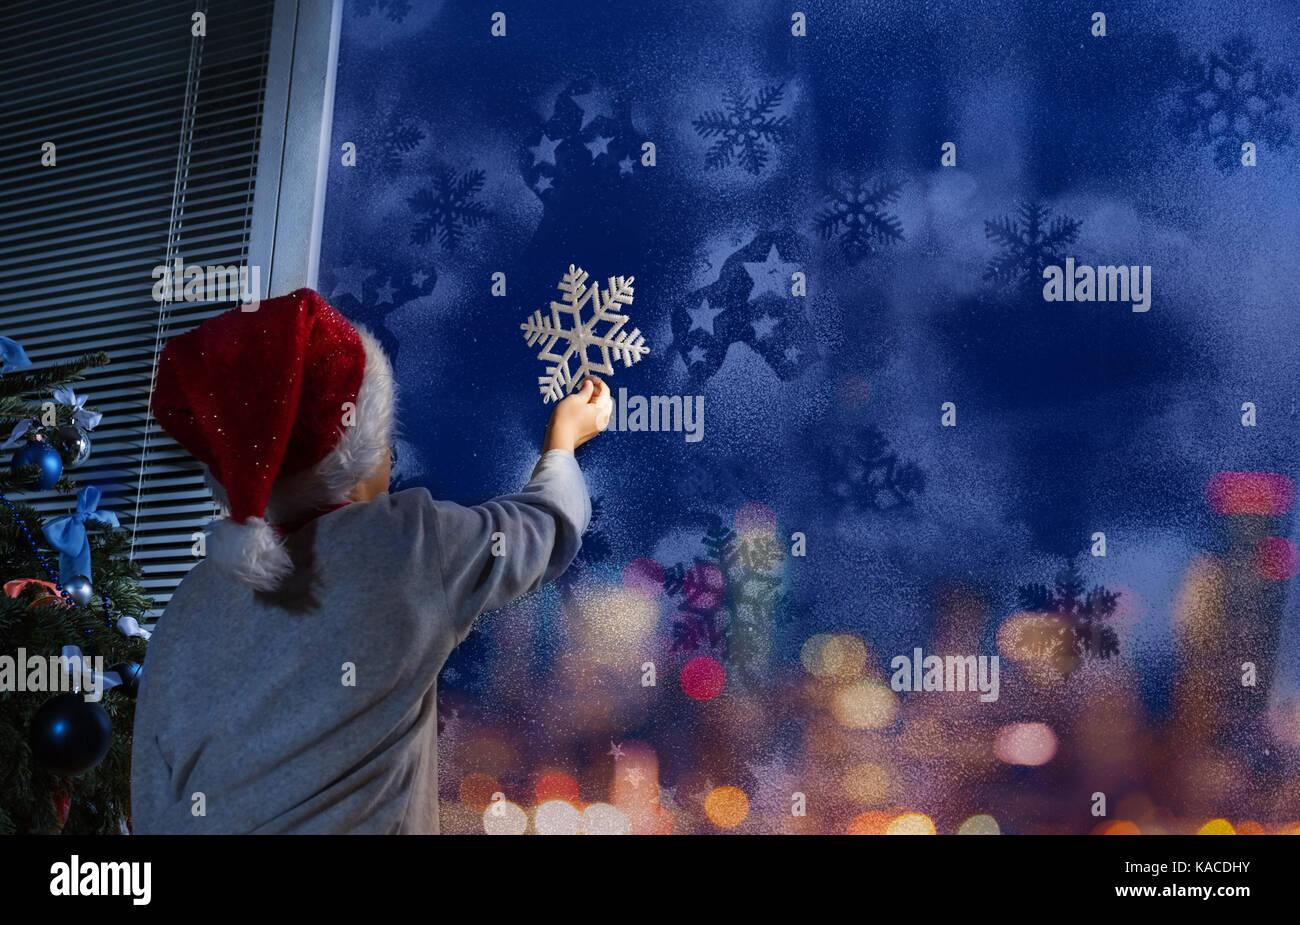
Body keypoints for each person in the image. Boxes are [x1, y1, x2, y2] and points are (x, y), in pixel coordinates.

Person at [131, 287, 611, 833]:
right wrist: (564, 443)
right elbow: (545, 527)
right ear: (356, 456)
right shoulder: (407, 543)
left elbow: (154, 787)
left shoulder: (191, 599)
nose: (391, 456)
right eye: (384, 440)